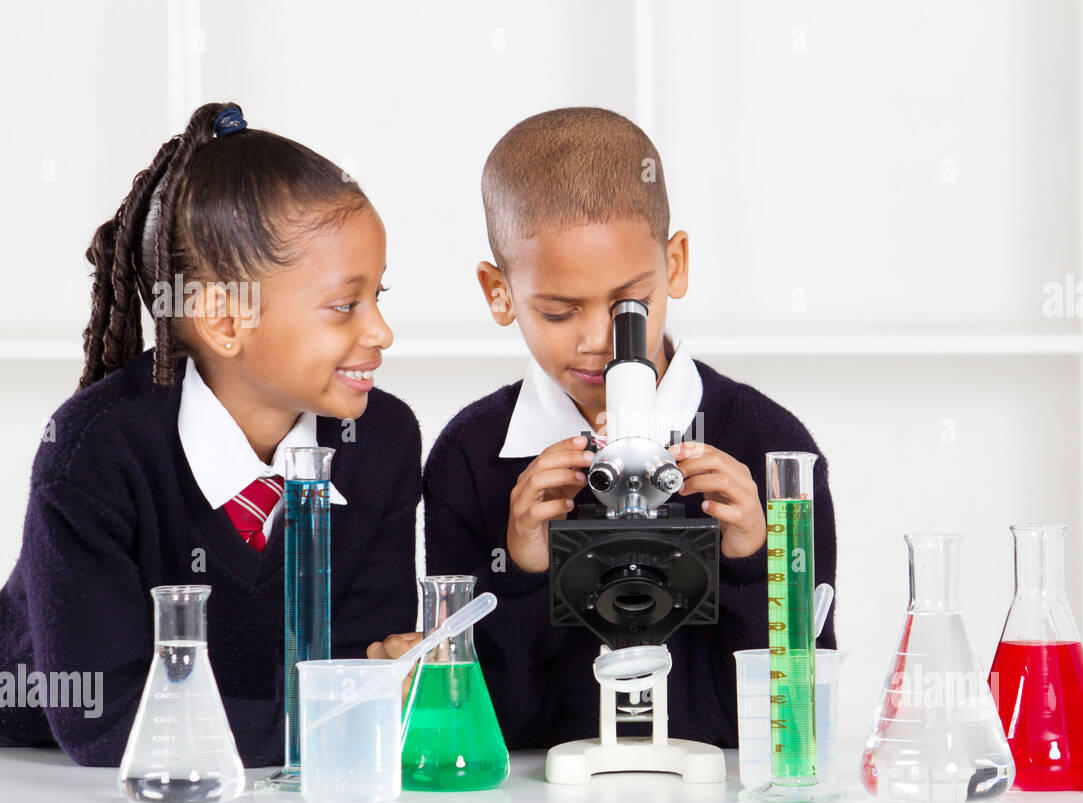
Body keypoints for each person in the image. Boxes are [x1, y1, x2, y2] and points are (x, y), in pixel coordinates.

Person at [0, 102, 421, 768]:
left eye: (379, 297)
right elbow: (102, 716)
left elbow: (362, 660)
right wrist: (330, 725)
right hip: (49, 782)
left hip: (261, 782)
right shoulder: (95, 452)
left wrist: (381, 681)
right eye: (345, 306)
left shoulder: (384, 438)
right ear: (225, 322)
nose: (380, 332)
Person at [421, 107, 837, 750]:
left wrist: (756, 563)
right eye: (559, 312)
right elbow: (474, 731)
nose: (599, 342)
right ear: (498, 292)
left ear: (675, 263)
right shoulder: (470, 458)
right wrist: (524, 568)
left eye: (628, 306)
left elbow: (795, 725)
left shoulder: (769, 446)